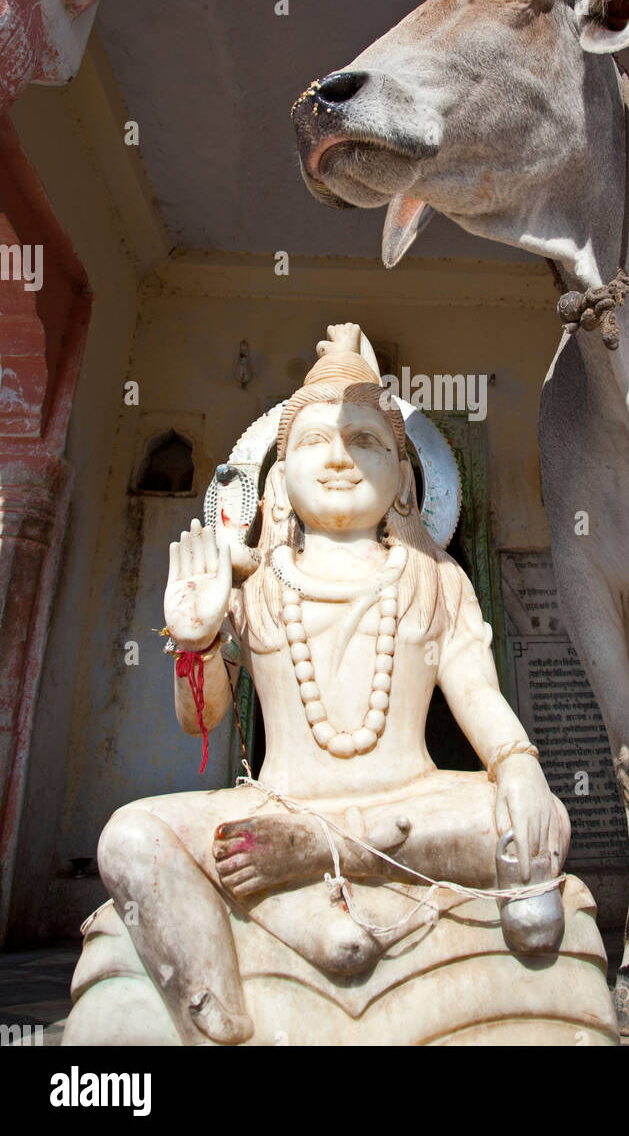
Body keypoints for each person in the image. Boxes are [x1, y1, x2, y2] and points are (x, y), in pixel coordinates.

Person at [97, 325, 569, 1045]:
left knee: (541, 820)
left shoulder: (435, 579)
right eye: (316, 442)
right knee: (129, 838)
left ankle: (313, 863)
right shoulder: (254, 584)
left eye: (366, 441)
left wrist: (520, 769)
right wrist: (194, 641)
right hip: (280, 799)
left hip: (409, 797)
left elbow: (478, 696)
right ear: (279, 474)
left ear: (404, 479)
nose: (341, 459)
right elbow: (201, 720)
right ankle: (216, 1010)